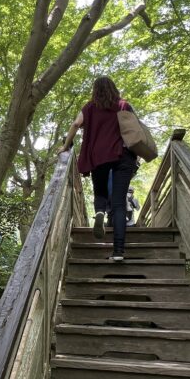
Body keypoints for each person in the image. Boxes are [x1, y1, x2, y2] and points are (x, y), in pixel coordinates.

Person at [59, 76, 139, 261]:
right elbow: (134, 129)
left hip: (99, 156)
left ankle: (100, 213)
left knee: (100, 192)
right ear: (114, 88)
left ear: (95, 90)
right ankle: (118, 252)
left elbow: (75, 124)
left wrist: (65, 146)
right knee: (119, 204)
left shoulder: (89, 107)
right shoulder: (123, 105)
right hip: (123, 156)